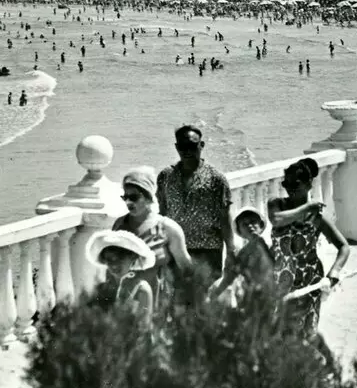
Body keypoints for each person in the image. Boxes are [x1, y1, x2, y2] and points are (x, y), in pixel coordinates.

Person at [268, 158, 350, 342]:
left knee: (305, 334)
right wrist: (306, 207)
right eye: (286, 184)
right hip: (279, 280)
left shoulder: (317, 218)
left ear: (308, 184)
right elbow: (276, 220)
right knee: (278, 333)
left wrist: (334, 271)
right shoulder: (277, 204)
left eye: (295, 184)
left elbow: (344, 246)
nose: (289, 188)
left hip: (309, 281)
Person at [157, 125, 237, 281]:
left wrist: (231, 251)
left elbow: (224, 217)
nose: (187, 151)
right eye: (182, 146)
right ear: (176, 147)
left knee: (205, 302)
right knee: (177, 301)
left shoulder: (216, 178)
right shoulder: (165, 176)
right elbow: (162, 214)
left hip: (207, 250)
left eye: (192, 146)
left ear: (201, 145)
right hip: (175, 249)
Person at [113, 166, 192, 308]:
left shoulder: (168, 228)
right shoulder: (120, 225)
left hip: (158, 304)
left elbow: (186, 269)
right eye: (125, 197)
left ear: (148, 196)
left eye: (134, 197)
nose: (128, 202)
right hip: (126, 303)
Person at [207, 207, 274, 305]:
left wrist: (259, 242)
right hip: (253, 295)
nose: (250, 226)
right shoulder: (242, 253)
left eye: (253, 221)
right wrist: (215, 294)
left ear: (261, 224)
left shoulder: (270, 245)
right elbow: (230, 275)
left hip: (271, 290)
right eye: (245, 224)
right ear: (240, 231)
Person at [86, 230, 157, 319]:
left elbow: (143, 328)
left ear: (132, 257)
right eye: (109, 260)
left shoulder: (141, 289)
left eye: (120, 259)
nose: (114, 265)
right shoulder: (101, 289)